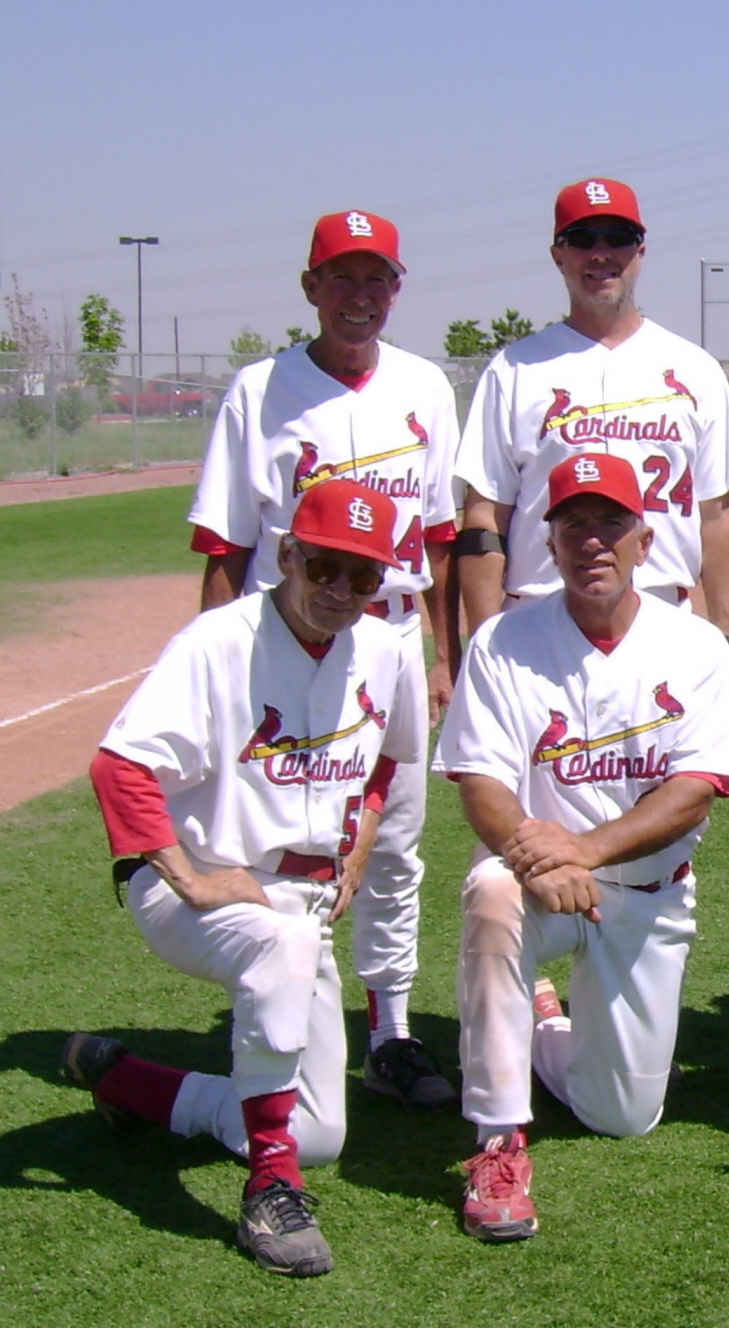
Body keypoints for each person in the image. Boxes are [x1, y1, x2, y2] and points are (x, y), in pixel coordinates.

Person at [68, 479, 425, 1275]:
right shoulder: (218, 641)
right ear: (288, 555)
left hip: (303, 896)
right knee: (280, 944)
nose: (341, 591)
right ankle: (269, 1190)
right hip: (188, 885)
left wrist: (361, 844)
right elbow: (119, 768)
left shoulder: (386, 650)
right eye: (325, 567)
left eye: (363, 577)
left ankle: (122, 1079)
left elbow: (385, 762)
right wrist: (191, 878)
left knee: (322, 1134)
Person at [437, 453, 729, 1242]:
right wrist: (539, 855)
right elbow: (479, 780)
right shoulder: (505, 642)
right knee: (490, 894)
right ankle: (500, 1141)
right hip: (538, 883)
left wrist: (584, 849)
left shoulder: (695, 645)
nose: (593, 542)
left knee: (623, 1116)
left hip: (644, 892)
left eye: (611, 524)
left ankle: (542, 1022)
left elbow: (697, 788)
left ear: (646, 539)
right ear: (549, 540)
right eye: (574, 524)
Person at [187, 209, 458, 1109]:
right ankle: (271, 1006)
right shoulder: (257, 390)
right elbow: (226, 546)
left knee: (397, 844)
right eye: (341, 277)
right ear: (310, 288)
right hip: (281, 638)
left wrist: (442, 653)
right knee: (279, 833)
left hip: (387, 634)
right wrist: (220, 669)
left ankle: (390, 1028)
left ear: (397, 287)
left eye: (376, 277)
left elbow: (443, 539)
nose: (359, 295)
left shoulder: (424, 387)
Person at [453, 176, 729, 646]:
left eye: (619, 239)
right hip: (538, 614)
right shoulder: (514, 369)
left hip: (662, 612)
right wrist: (486, 640)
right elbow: (486, 515)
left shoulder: (695, 369)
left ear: (641, 251)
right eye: (584, 240)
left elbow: (718, 511)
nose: (601, 254)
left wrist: (727, 629)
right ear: (558, 254)